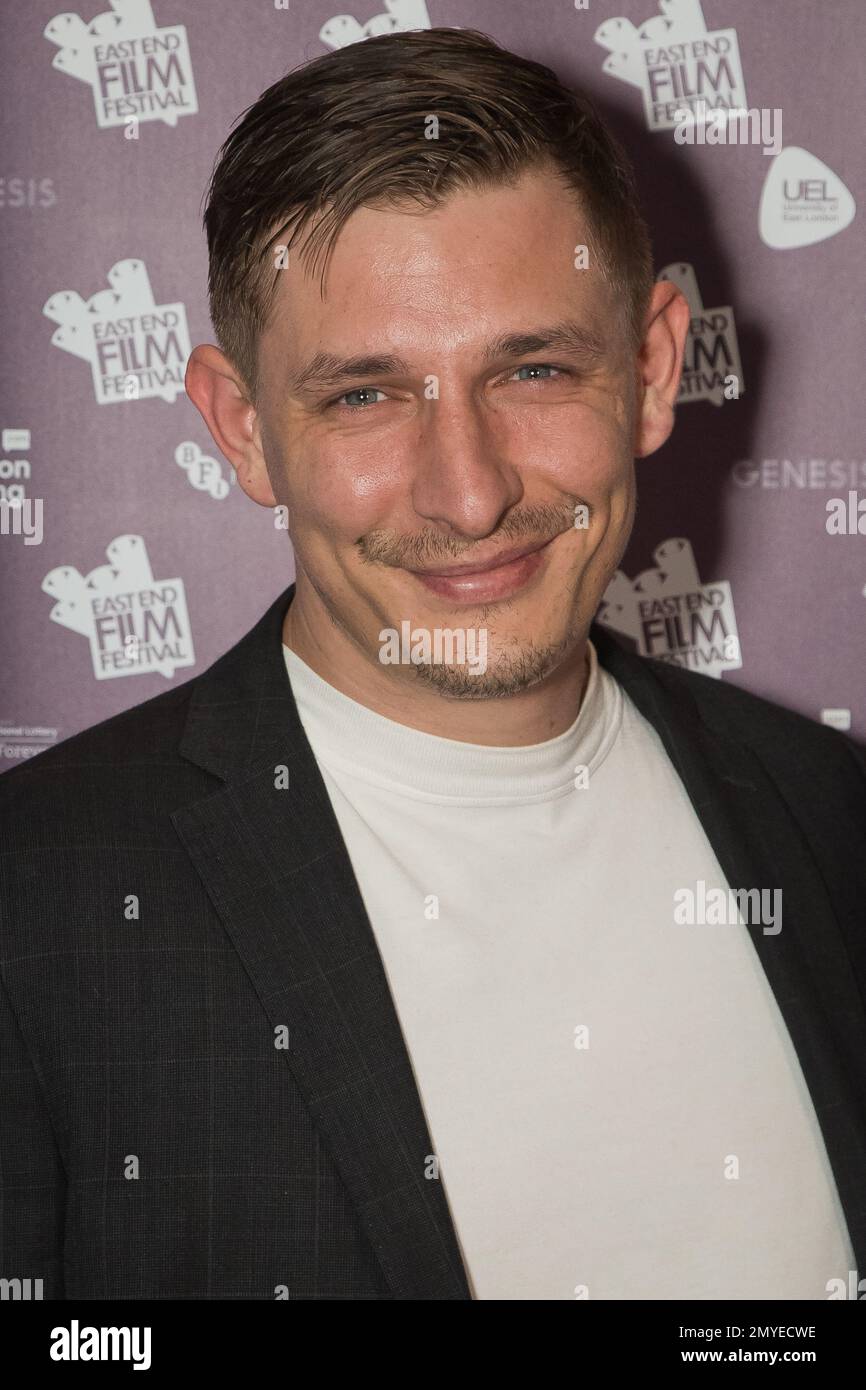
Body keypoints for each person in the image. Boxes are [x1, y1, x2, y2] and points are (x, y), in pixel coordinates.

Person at [2, 27, 865, 1303]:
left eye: (532, 368)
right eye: (364, 395)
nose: (467, 495)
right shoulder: (36, 904)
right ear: (243, 431)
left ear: (648, 368)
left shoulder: (831, 817)